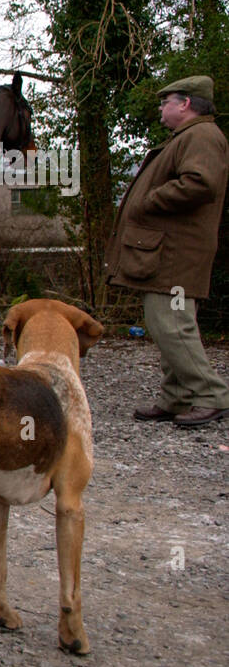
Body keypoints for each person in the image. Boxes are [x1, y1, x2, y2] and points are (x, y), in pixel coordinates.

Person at [105, 75, 229, 428]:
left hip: (177, 254)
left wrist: (148, 201)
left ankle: (210, 395)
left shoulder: (202, 136)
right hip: (170, 253)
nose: (161, 108)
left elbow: (199, 183)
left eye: (166, 102)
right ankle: (176, 396)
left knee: (172, 325)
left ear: (186, 103)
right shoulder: (191, 137)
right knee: (165, 324)